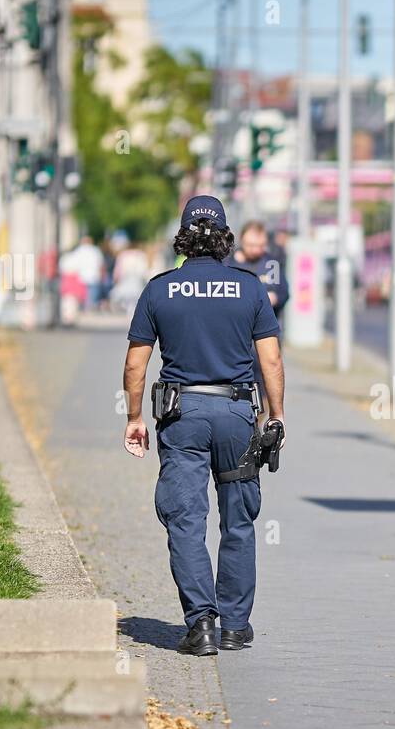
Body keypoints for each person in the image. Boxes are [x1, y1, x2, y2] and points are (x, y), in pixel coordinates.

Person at [122, 195, 285, 657]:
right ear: (225, 238)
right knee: (238, 520)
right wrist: (276, 415)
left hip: (183, 418)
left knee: (186, 520)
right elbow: (269, 358)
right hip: (237, 416)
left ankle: (202, 625)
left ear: (183, 237)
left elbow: (137, 363)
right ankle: (235, 624)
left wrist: (134, 417)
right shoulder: (249, 288)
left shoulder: (160, 289)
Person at [234, 220, 289, 313]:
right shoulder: (228, 264)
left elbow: (284, 293)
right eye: (251, 245)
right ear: (241, 240)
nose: (255, 250)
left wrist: (275, 298)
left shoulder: (271, 263)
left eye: (260, 246)